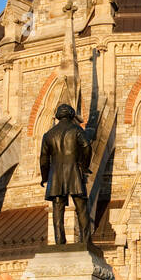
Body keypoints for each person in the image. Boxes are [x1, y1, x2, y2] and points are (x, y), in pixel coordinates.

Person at [39, 102, 92, 247]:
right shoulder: (77, 130)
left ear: (57, 116)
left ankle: (59, 242)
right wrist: (84, 165)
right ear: (71, 115)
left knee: (58, 209)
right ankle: (86, 241)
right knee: (81, 207)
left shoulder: (48, 135)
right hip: (74, 172)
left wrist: (45, 177)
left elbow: (43, 158)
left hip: (55, 176)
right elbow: (87, 147)